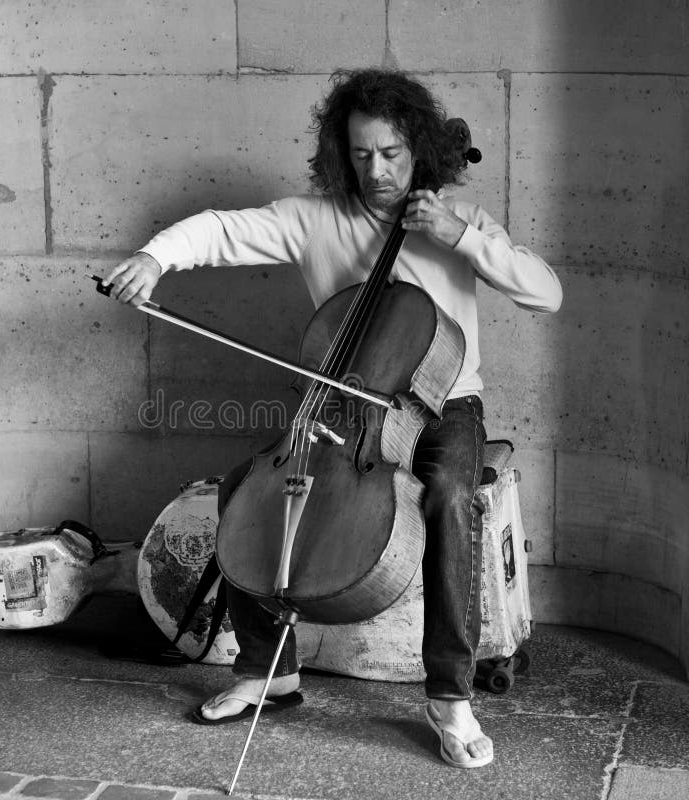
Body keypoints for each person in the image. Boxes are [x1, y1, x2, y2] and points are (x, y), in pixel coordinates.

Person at [104, 69, 562, 769]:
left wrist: (459, 237)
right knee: (244, 489)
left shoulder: (459, 222)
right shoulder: (314, 218)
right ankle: (268, 671)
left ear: (420, 149)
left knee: (451, 496)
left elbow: (546, 293)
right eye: (361, 154)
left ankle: (449, 695)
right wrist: (154, 257)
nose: (376, 171)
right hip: (347, 403)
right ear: (340, 151)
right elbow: (223, 231)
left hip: (446, 405)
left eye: (392, 154)